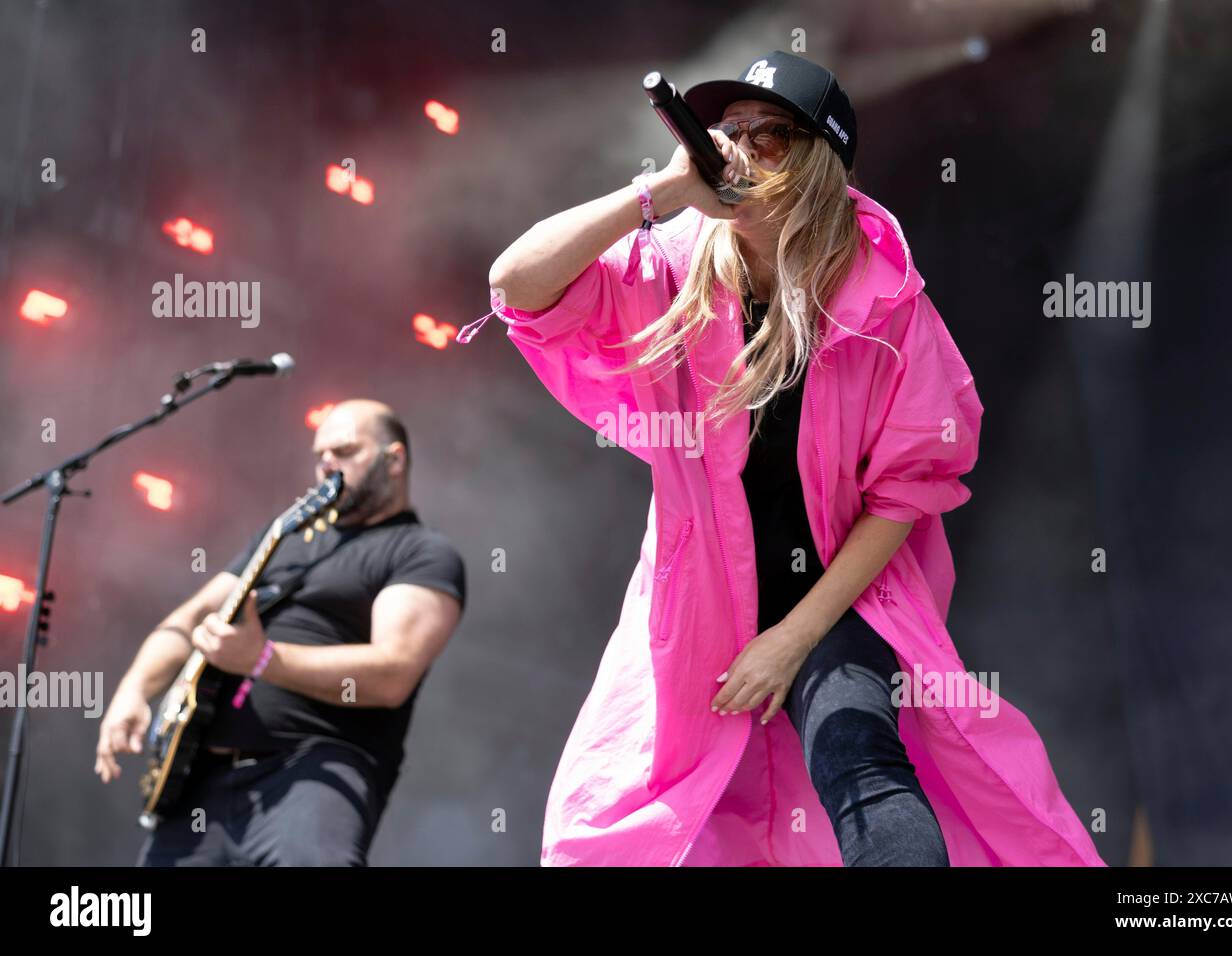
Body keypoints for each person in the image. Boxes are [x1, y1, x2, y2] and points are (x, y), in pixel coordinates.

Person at [478, 51, 1104, 867]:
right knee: (631, 820)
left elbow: (907, 492)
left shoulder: (886, 303)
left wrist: (793, 638)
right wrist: (659, 194)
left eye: (765, 135)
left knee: (858, 752)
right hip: (695, 602)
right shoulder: (671, 265)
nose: (735, 149)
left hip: (842, 598)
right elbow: (516, 284)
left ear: (816, 158)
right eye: (725, 131)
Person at [94, 399, 465, 866]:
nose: (327, 463)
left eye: (345, 451)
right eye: (320, 454)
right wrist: (133, 691)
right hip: (199, 781)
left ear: (394, 460)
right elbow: (187, 622)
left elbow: (393, 673)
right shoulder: (286, 539)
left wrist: (262, 659)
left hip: (313, 771)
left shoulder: (420, 553)